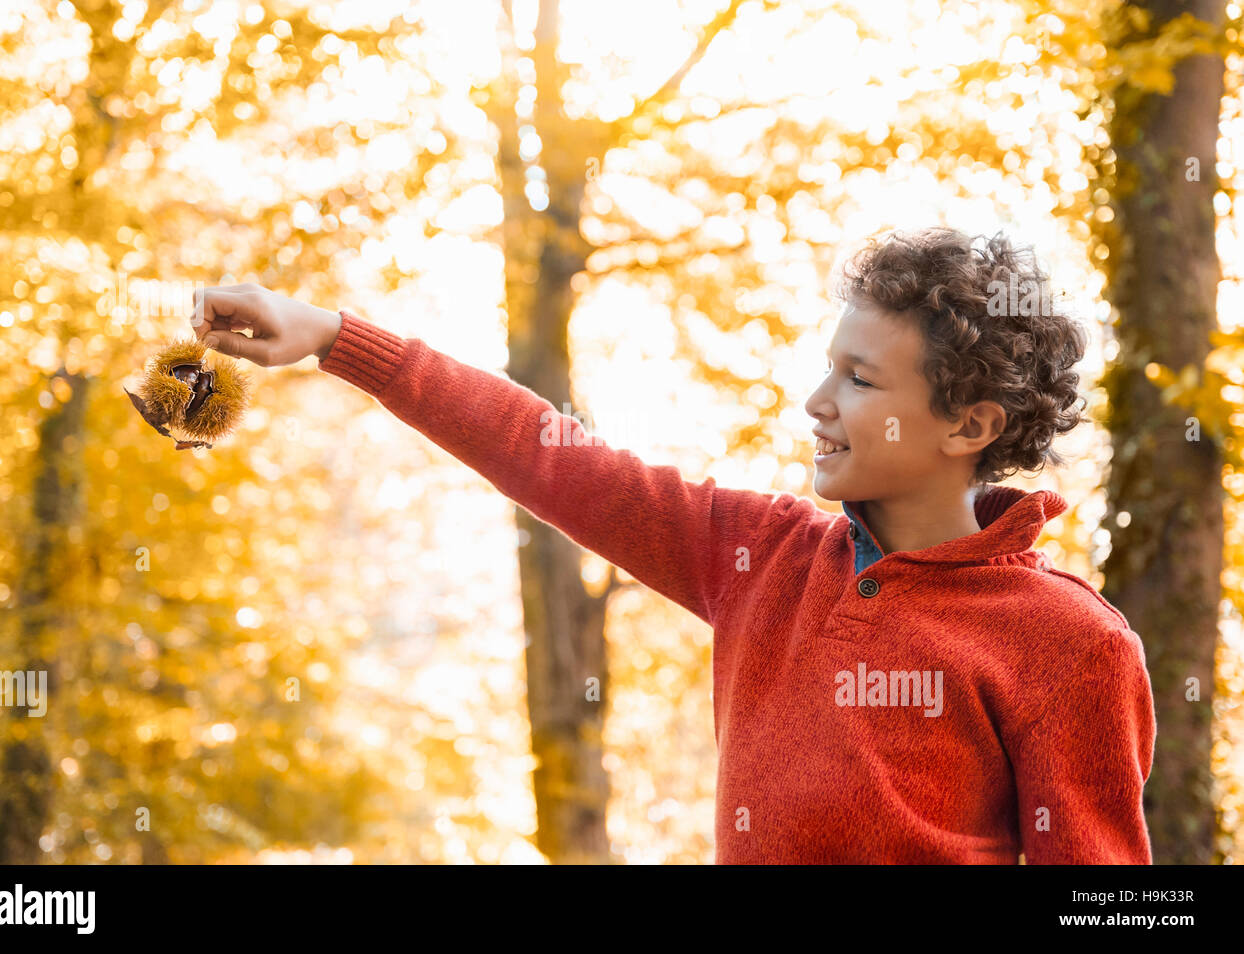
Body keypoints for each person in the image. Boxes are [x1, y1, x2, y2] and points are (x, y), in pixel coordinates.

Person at [190, 226, 1156, 864]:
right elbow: (549, 455)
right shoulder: (757, 555)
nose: (817, 403)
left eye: (860, 381)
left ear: (968, 425)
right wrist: (332, 337)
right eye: (828, 368)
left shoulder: (1072, 646)